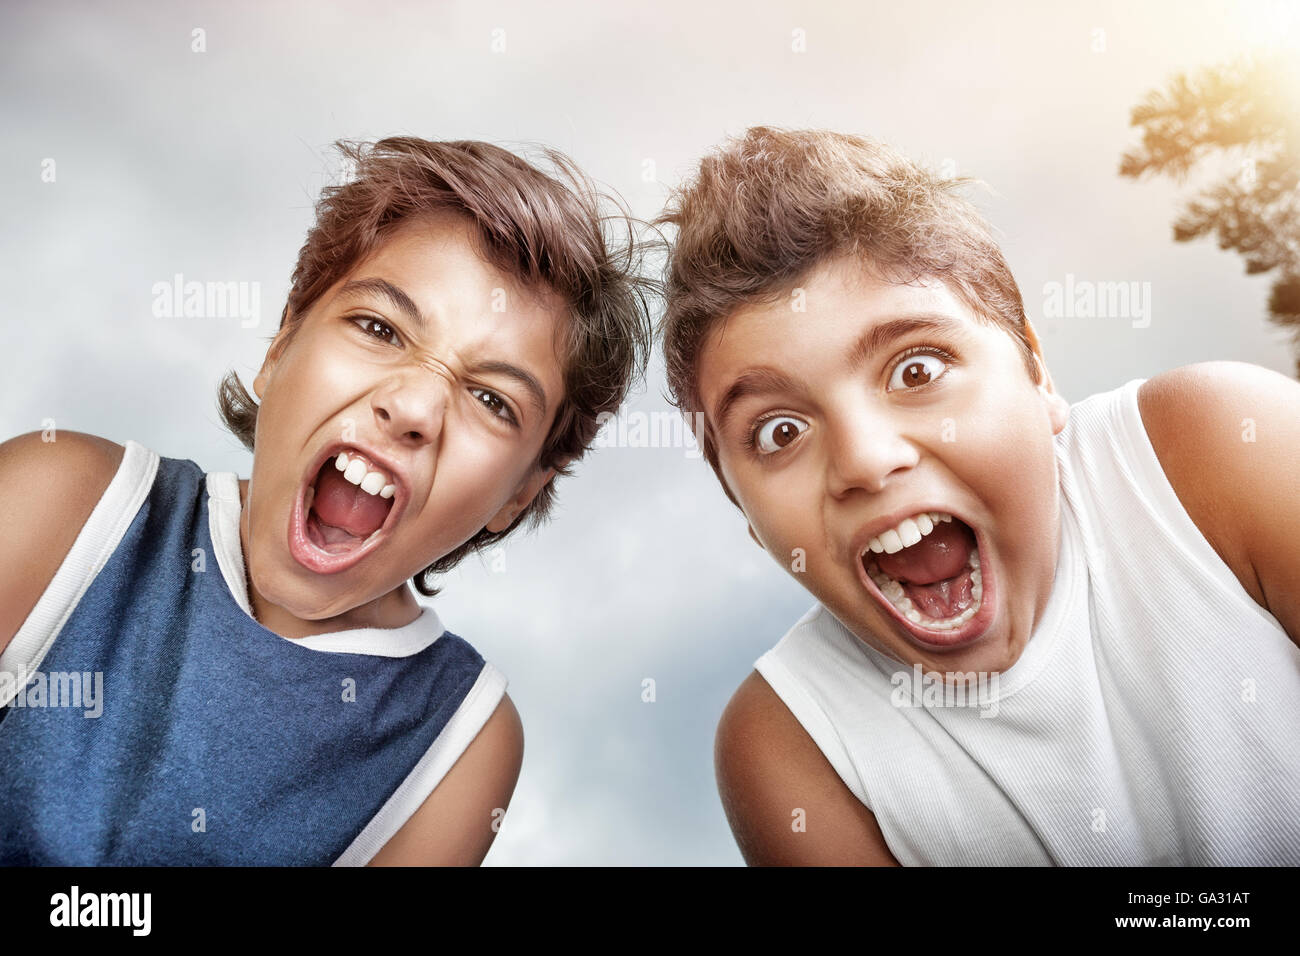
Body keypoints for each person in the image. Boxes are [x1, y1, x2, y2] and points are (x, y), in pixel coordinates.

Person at [0, 136, 654, 865]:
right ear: (281, 345)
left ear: (520, 494)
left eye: (492, 399)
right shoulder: (64, 506)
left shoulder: (458, 743)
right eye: (380, 328)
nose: (414, 406)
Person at [655, 125, 1300, 865]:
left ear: (1037, 374)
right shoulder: (796, 748)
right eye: (779, 432)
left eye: (917, 371)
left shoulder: (1216, 450)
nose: (865, 460)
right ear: (747, 517)